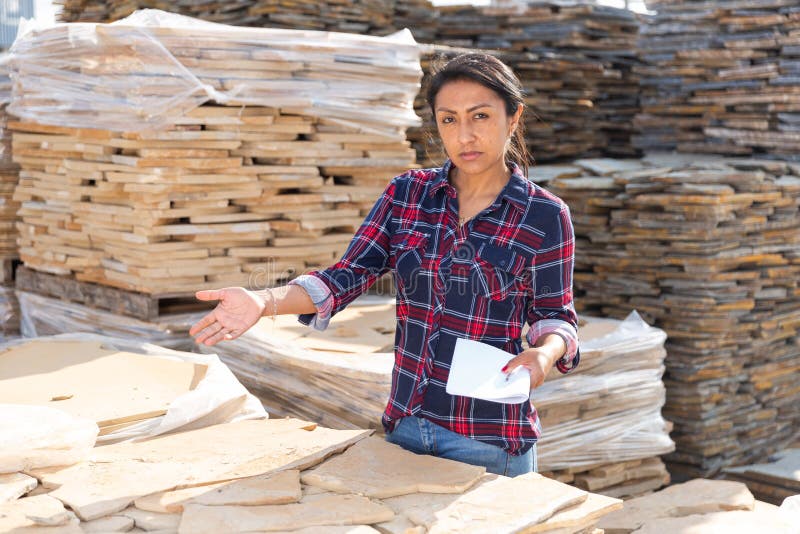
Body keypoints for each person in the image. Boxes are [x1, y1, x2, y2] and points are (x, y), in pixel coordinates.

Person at [189, 52, 580, 477]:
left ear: (513, 117)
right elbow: (347, 276)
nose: (465, 135)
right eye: (449, 120)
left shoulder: (544, 215)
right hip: (407, 430)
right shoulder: (407, 195)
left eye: (480, 116)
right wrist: (264, 301)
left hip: (490, 442)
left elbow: (555, 316)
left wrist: (545, 353)